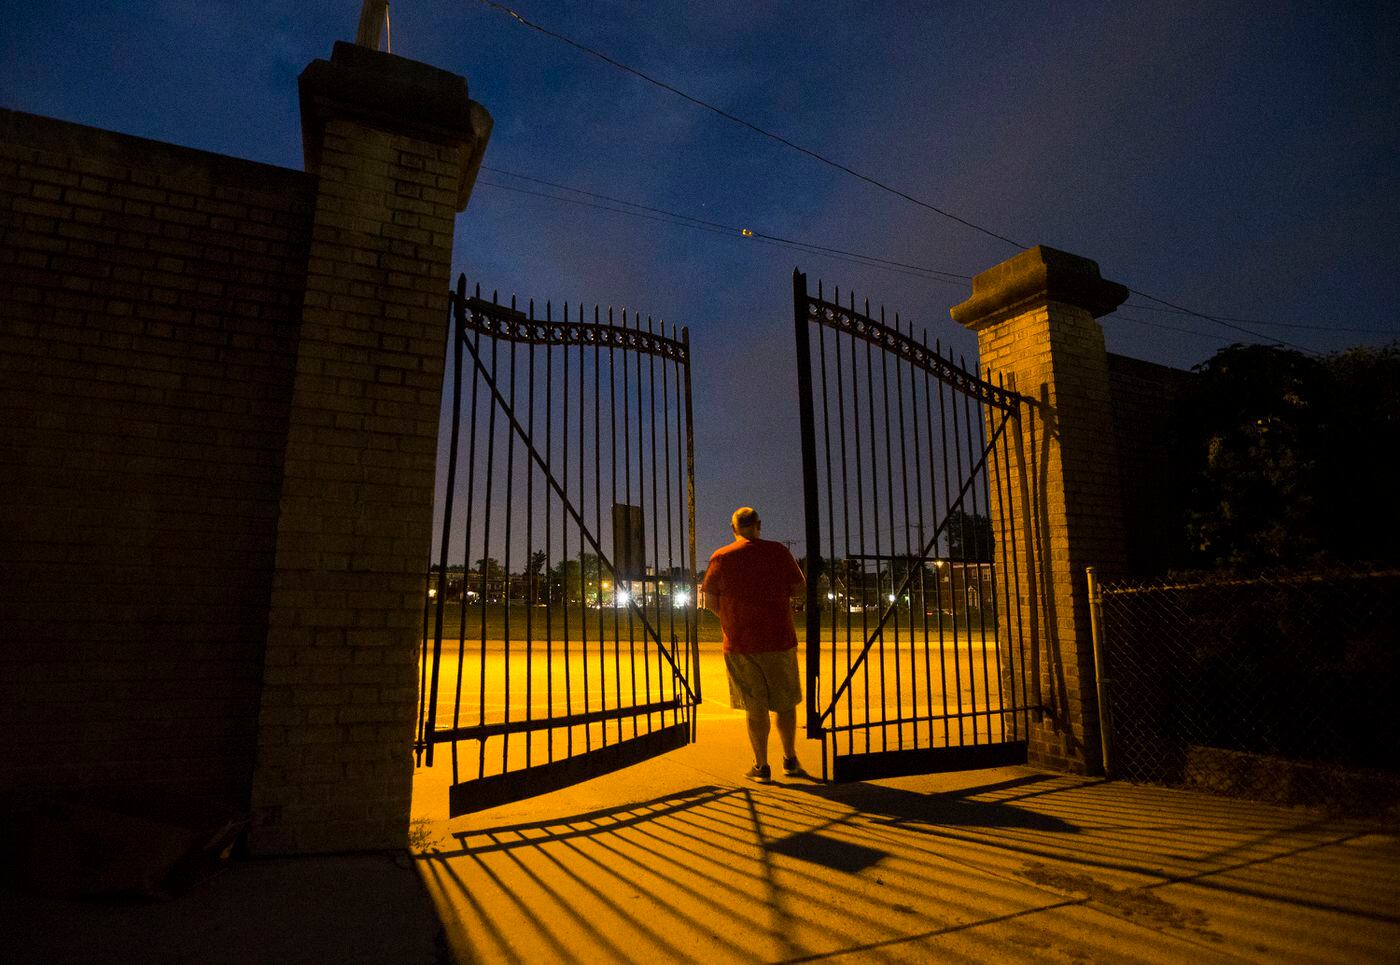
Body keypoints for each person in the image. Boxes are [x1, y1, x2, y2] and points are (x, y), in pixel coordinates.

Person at [699, 506, 807, 783]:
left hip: (741, 642)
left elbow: (709, 599)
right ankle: (790, 759)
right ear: (759, 524)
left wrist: (730, 616)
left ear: (733, 528)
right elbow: (798, 587)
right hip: (780, 638)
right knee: (785, 703)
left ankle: (761, 765)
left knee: (754, 705)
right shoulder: (779, 552)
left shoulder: (722, 557)